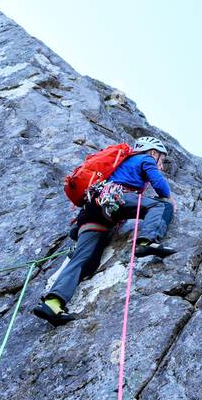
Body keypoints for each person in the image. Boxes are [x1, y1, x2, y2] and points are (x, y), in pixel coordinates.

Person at [33, 136, 177, 326]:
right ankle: (146, 241)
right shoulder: (146, 159)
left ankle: (53, 303)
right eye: (162, 160)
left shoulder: (122, 164)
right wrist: (169, 199)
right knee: (161, 206)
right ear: (153, 152)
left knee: (85, 260)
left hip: (92, 210)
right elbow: (159, 185)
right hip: (115, 198)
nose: (162, 166)